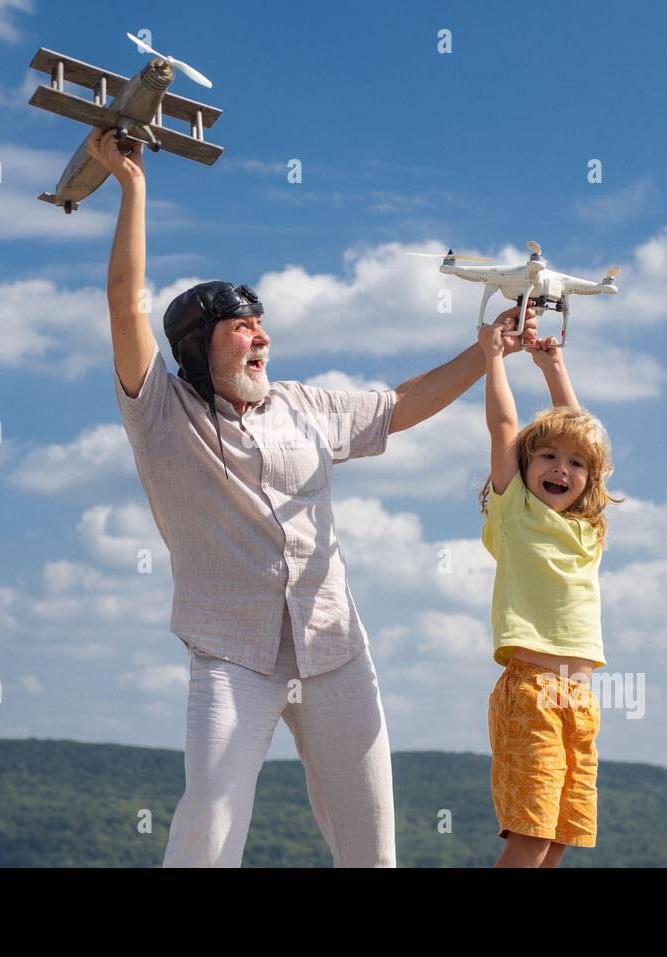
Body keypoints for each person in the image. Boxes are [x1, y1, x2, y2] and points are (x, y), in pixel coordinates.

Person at [88, 128, 538, 867]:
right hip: (232, 654)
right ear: (200, 345)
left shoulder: (301, 404)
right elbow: (124, 306)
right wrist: (133, 187)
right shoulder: (163, 415)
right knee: (208, 824)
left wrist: (484, 351)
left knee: (371, 844)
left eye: (262, 325)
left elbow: (401, 405)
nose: (262, 337)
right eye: (243, 328)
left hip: (335, 647)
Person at [476, 309, 624, 867]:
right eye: (547, 456)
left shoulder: (587, 528)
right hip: (533, 691)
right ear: (524, 465)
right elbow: (503, 426)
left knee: (560, 837)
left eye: (575, 464)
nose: (562, 469)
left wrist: (554, 366)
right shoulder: (516, 510)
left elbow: (589, 439)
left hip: (579, 701)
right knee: (532, 834)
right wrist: (494, 357)